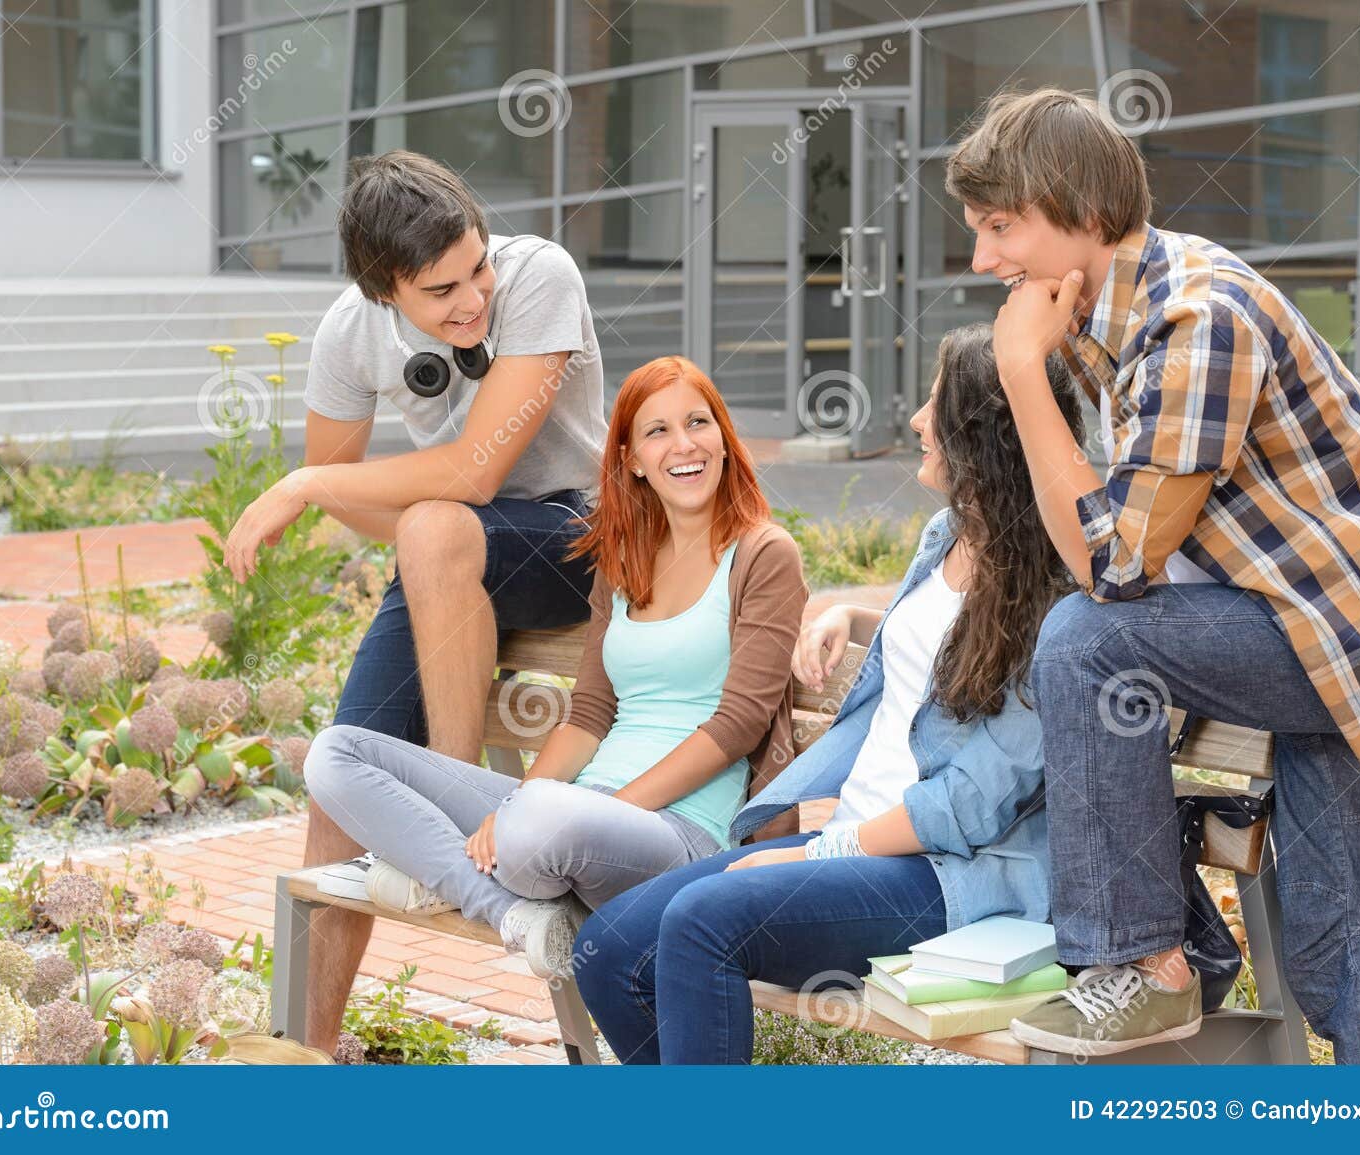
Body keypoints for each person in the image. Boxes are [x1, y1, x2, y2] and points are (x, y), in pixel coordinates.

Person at [945, 87, 1360, 1061]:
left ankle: (1145, 967)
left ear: (1080, 210)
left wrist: (1020, 373)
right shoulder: (1104, 309)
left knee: (1084, 645)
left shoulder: (1198, 319)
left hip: (1342, 630)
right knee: (1350, 955)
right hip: (1290, 621)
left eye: (999, 227)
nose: (985, 259)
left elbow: (1109, 568)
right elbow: (1111, 553)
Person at [573, 326, 1085, 1064]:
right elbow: (949, 641)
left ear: (981, 437)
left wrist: (821, 851)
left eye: (934, 407)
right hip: (854, 840)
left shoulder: (1056, 597)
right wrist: (853, 617)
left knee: (699, 924)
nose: (914, 421)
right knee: (608, 947)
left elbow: (972, 803)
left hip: (948, 871)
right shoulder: (948, 534)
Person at [221, 150, 608, 1052]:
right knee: (333, 775)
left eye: (476, 267)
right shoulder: (348, 334)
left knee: (433, 521)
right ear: (384, 289)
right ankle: (308, 1054)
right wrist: (324, 486)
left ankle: (456, 825)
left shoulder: (539, 275)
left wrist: (307, 482)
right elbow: (365, 510)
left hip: (580, 538)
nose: (473, 298)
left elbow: (476, 471)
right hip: (447, 554)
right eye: (442, 291)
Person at [303, 355, 806, 984]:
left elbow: (739, 725)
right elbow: (592, 713)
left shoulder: (763, 554)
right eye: (657, 431)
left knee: (538, 825)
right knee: (335, 754)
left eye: (698, 423)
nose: (684, 445)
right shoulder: (625, 560)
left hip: (681, 830)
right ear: (631, 459)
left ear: (724, 440)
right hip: (576, 809)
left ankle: (447, 874)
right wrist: (519, 801)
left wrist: (578, 810)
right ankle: (517, 914)